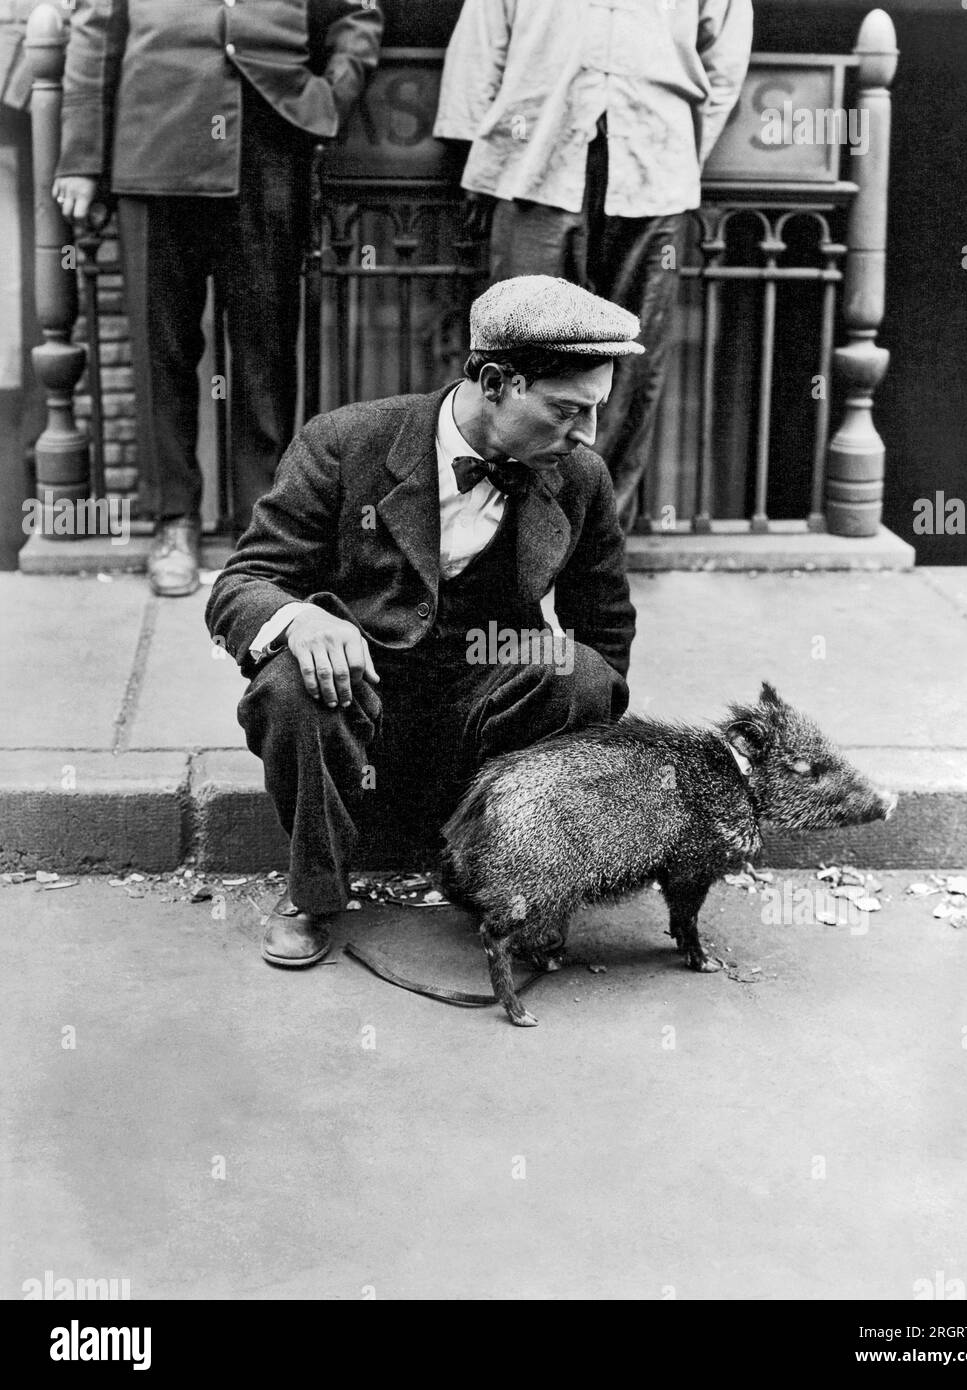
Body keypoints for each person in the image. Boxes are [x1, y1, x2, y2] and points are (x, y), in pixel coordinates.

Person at [205, 274, 640, 969]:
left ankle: (511, 880)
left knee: (577, 672)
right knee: (289, 679)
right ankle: (315, 893)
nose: (585, 435)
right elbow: (241, 585)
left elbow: (605, 626)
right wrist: (297, 621)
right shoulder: (347, 443)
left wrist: (578, 777)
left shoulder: (579, 476)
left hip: (479, 728)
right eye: (566, 411)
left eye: (593, 412)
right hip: (359, 712)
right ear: (496, 381)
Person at [52, 0, 384, 596]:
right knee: (162, 351)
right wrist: (80, 159)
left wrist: (332, 94)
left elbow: (357, 14)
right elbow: (94, 37)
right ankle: (172, 522)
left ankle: (264, 533)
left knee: (265, 349)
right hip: (154, 146)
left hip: (268, 149)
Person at [433, 0, 753, 527]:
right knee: (516, 350)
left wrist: (683, 150)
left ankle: (597, 534)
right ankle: (499, 530)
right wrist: (480, 156)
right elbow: (480, 44)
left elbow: (724, 59)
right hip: (534, 155)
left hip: (653, 161)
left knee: (634, 357)